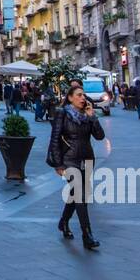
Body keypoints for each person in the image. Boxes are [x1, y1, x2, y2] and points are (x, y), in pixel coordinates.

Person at [45, 86, 105, 250]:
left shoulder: (87, 115)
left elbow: (100, 136)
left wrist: (93, 117)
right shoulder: (62, 113)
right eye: (79, 95)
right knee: (80, 195)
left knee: (76, 194)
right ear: (70, 98)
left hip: (87, 159)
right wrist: (58, 164)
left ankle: (63, 222)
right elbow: (55, 139)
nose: (82, 98)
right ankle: (87, 235)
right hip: (69, 159)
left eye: (83, 96)